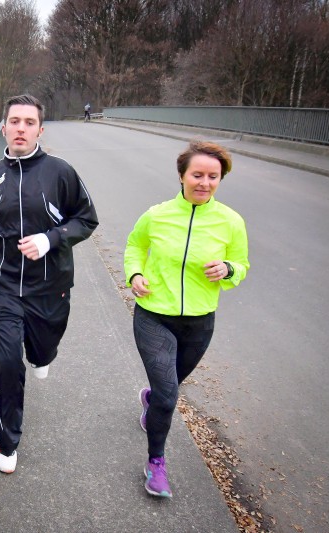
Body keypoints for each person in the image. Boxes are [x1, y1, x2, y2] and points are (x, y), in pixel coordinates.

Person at [0, 94, 99, 474]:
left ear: (40, 129)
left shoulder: (61, 172)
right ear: (4, 127)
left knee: (42, 349)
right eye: (14, 121)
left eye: (29, 122)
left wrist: (50, 239)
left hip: (49, 285)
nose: (21, 128)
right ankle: (7, 442)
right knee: (6, 363)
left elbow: (86, 220)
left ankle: (42, 355)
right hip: (3, 287)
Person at [124, 140, 249, 498]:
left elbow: (241, 265)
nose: (204, 182)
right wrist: (134, 275)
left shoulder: (230, 222)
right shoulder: (157, 214)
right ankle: (156, 464)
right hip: (154, 315)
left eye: (213, 176)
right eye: (197, 174)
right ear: (182, 176)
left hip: (199, 322)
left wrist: (227, 269)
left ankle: (152, 401)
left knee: (167, 389)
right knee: (169, 394)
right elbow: (135, 246)